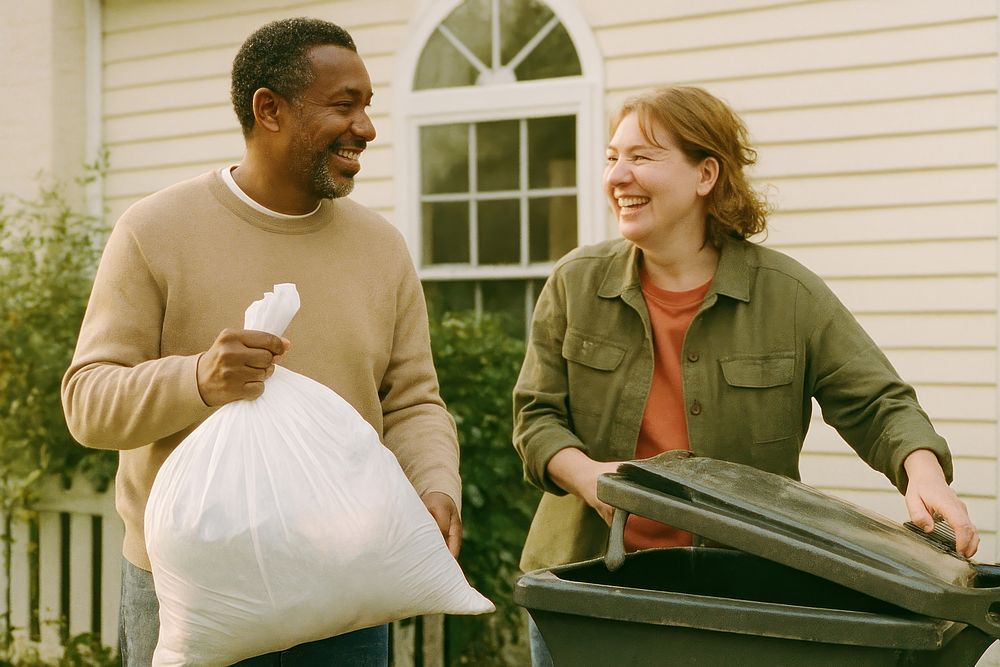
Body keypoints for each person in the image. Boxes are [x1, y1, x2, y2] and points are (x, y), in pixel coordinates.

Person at [512, 86, 979, 666]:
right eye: (612, 157)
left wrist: (922, 471)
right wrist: (589, 477)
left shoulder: (789, 296)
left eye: (642, 157)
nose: (618, 175)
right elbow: (537, 417)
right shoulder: (575, 283)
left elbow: (878, 402)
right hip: (586, 596)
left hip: (735, 605)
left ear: (706, 174)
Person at [62, 17, 462, 666]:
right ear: (268, 110)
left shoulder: (380, 248)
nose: (366, 128)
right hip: (190, 596)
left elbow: (414, 401)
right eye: (344, 105)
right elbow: (87, 402)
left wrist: (436, 483)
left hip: (346, 596)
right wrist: (197, 379)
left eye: (367, 107)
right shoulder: (153, 231)